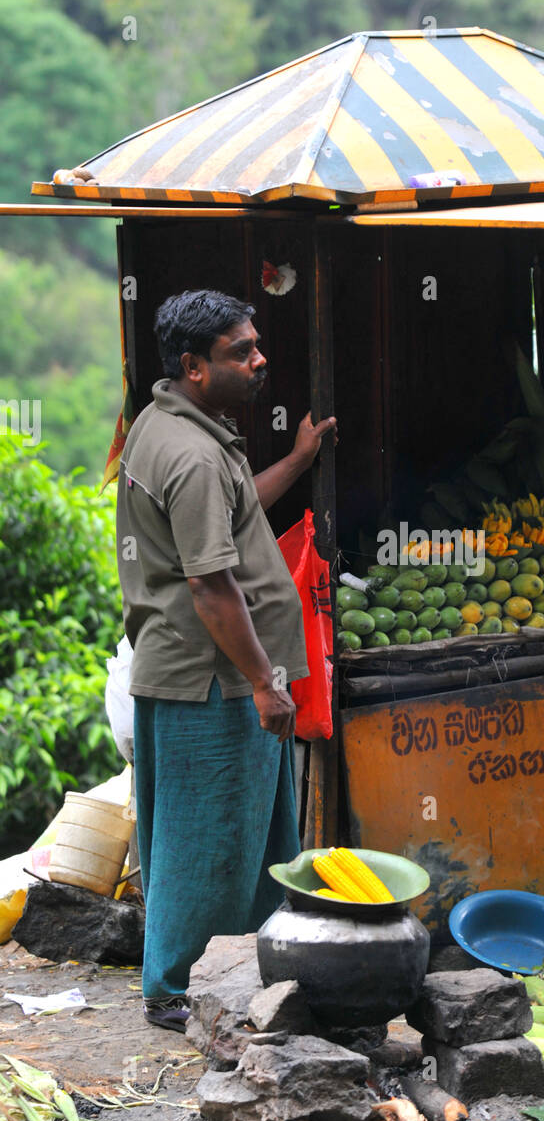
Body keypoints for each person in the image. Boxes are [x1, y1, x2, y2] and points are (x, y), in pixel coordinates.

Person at [115, 289, 337, 1031]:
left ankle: (249, 966)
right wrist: (260, 683)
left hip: (203, 674)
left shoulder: (175, 426)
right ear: (194, 366)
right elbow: (211, 586)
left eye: (255, 344)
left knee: (244, 831)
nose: (258, 359)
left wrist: (298, 461)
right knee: (200, 842)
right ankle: (169, 992)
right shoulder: (191, 454)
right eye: (241, 351)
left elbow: (234, 520)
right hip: (210, 681)